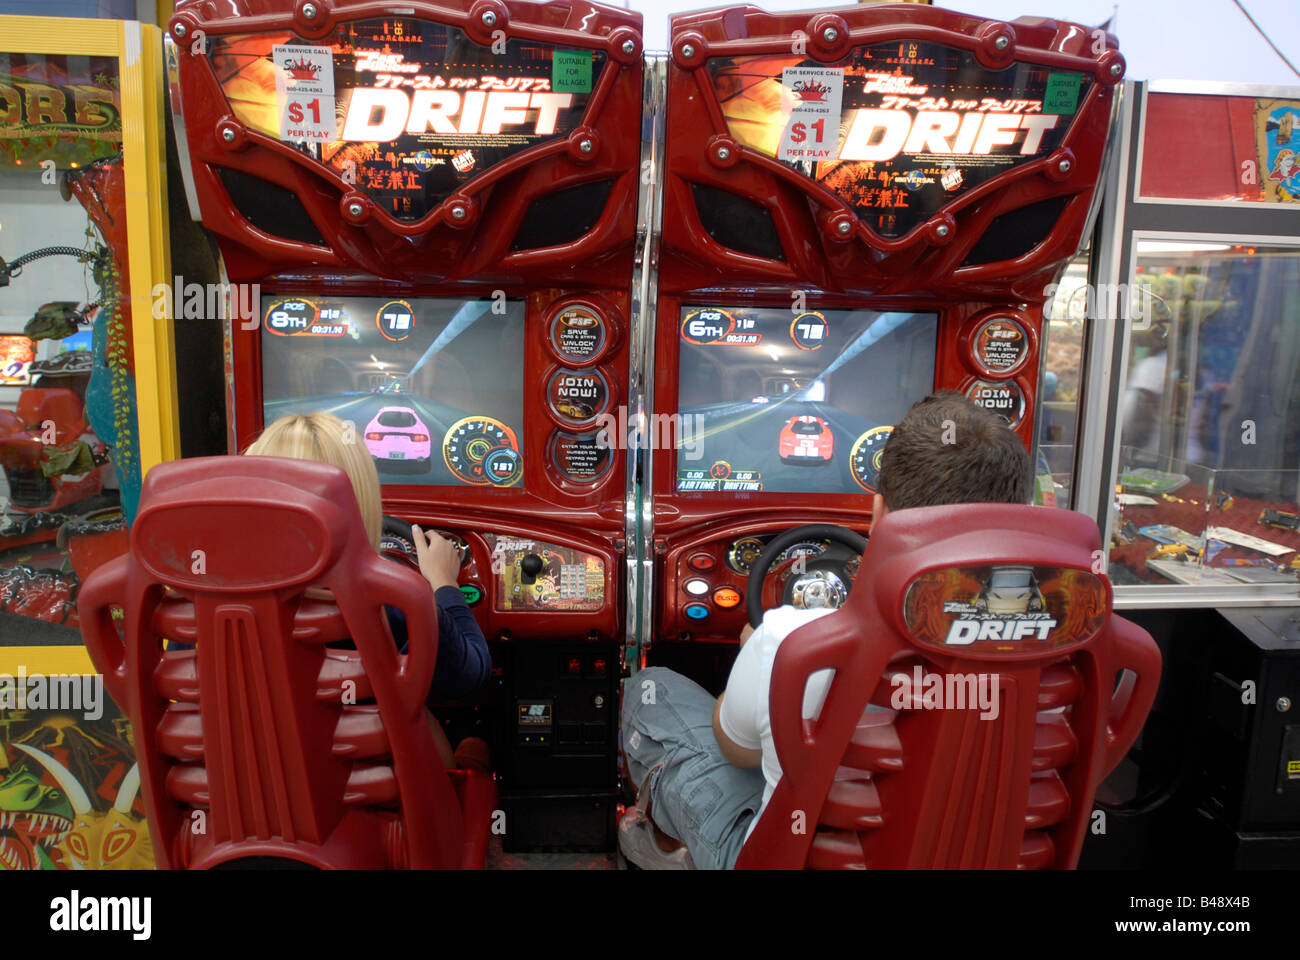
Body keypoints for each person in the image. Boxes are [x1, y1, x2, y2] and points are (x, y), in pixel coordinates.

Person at [619, 391, 1034, 869]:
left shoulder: (794, 638)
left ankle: (674, 847)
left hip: (789, 857)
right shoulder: (1073, 647)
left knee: (653, 689)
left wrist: (756, 657)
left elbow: (738, 750)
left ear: (878, 515)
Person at [245, 412, 491, 772]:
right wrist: (443, 583)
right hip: (369, 807)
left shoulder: (197, 604)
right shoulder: (395, 600)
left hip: (243, 805)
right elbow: (472, 676)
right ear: (359, 497)